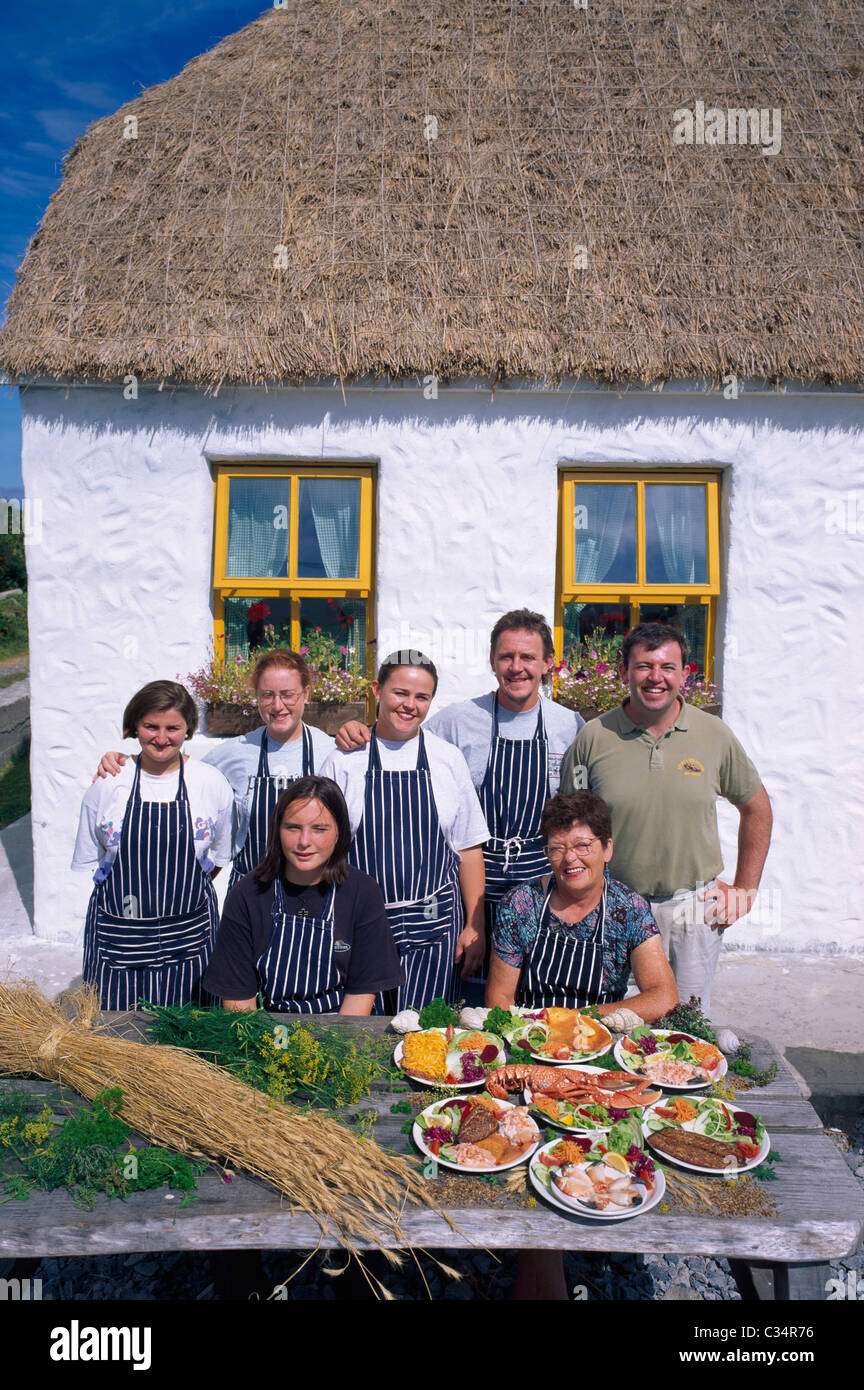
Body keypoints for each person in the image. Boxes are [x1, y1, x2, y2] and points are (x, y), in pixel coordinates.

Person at [334, 610, 584, 956]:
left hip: (543, 885)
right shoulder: (456, 721)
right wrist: (358, 730)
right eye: (506, 657)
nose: (516, 667)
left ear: (548, 663)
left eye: (528, 657)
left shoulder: (570, 726)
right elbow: (400, 737)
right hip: (474, 889)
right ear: (492, 661)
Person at [560, 622, 773, 1013]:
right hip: (611, 907)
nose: (655, 677)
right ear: (623, 672)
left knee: (685, 1029)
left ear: (685, 674)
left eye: (667, 667)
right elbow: (569, 828)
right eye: (643, 666)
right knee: (607, 1023)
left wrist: (745, 889)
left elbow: (757, 807)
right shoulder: (594, 737)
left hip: (692, 910)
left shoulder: (714, 735)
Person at [322, 652, 489, 1011]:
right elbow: (322, 847)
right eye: (400, 693)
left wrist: (475, 926)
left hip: (435, 925)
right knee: (359, 1030)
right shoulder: (344, 760)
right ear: (377, 690)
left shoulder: (447, 759)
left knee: (425, 1031)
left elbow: (468, 847)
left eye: (421, 697)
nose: (409, 705)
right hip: (361, 924)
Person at [93, 649, 334, 890]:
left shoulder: (331, 752)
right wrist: (129, 762)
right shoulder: (235, 751)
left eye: (288, 695)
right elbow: (177, 770)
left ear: (306, 694)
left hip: (314, 889)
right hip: (252, 890)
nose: (277, 705)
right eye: (267, 695)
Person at [72, 681, 234, 1009]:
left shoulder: (210, 783)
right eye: (151, 726)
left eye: (172, 728)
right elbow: (94, 862)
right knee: (116, 1032)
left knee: (192, 1031)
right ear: (135, 725)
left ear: (189, 728)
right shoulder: (108, 784)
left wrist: (182, 896)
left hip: (190, 940)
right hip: (119, 942)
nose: (161, 738)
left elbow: (218, 858)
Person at [203, 777, 402, 1014]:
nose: (304, 841)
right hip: (269, 1027)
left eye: (319, 829)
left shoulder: (362, 893)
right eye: (293, 827)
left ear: (339, 832)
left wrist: (337, 1038)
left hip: (345, 1027)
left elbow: (360, 995)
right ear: (277, 830)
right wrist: (261, 1036)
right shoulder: (248, 893)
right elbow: (238, 1001)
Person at [486, 790, 677, 1020]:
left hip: (603, 1032)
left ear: (607, 849)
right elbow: (499, 997)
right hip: (532, 1032)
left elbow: (664, 998)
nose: (569, 858)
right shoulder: (521, 904)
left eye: (582, 845)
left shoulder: (629, 910)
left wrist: (575, 1019)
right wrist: (529, 1032)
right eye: (557, 848)